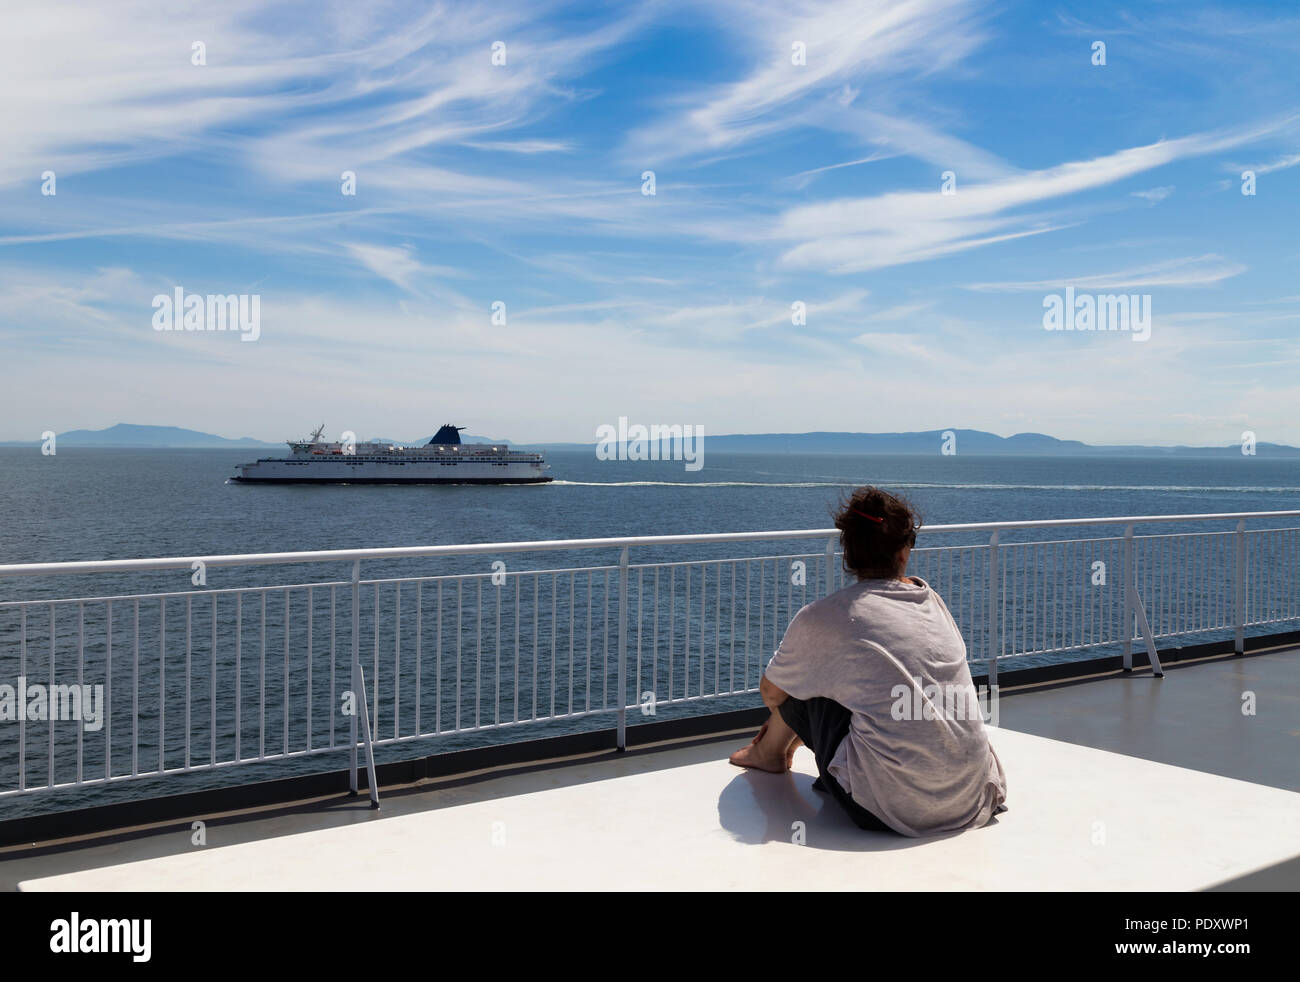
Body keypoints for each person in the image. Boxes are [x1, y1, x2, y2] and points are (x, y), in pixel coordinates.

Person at [730, 486, 1007, 836]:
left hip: (891, 808)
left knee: (809, 690)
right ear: (904, 552)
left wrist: (801, 715)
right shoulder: (930, 600)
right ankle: (776, 749)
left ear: (848, 551)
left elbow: (772, 693)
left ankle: (767, 755)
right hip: (972, 795)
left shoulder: (824, 616)